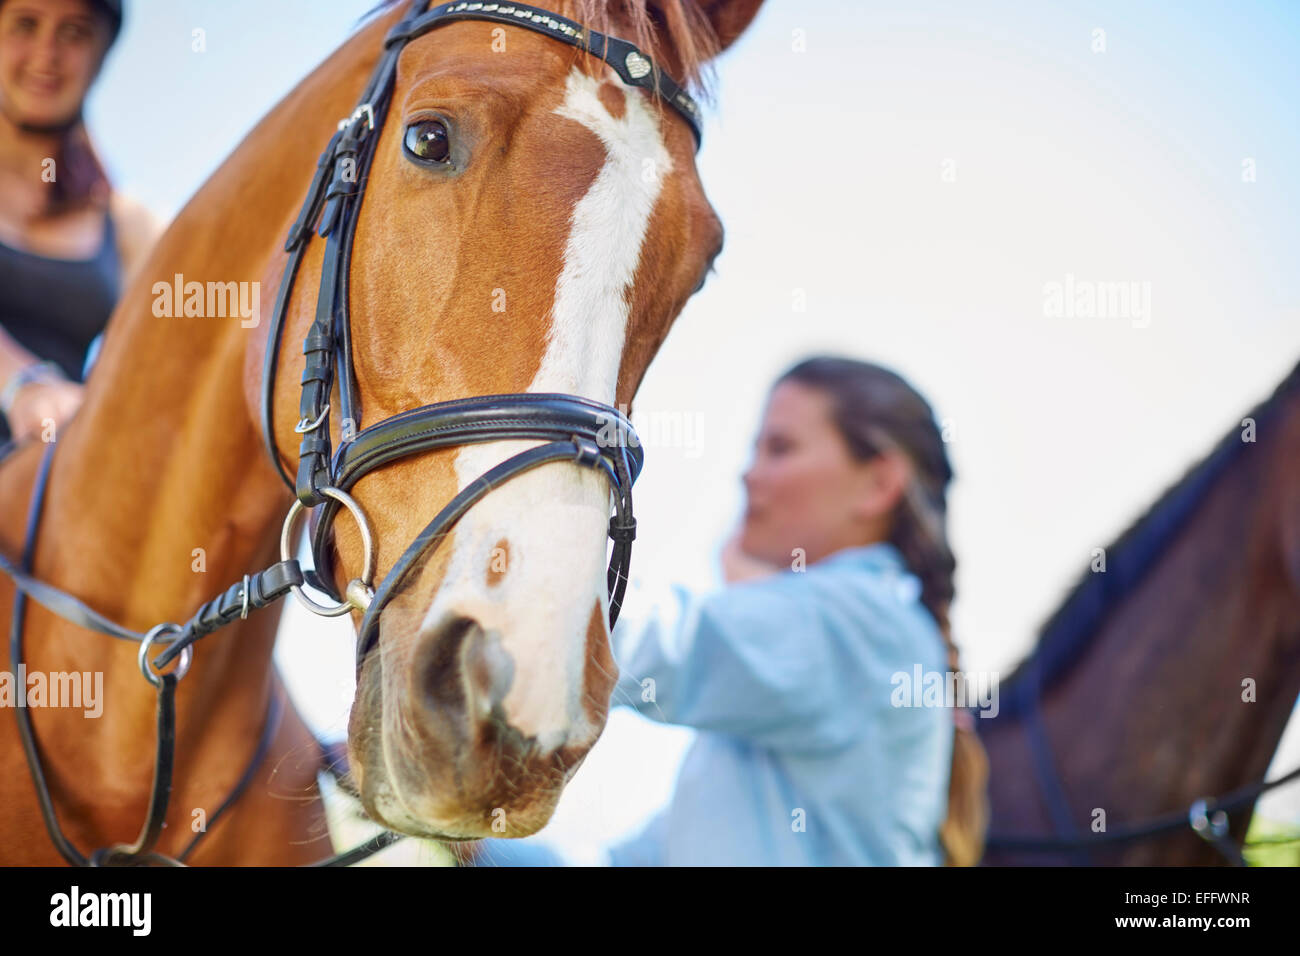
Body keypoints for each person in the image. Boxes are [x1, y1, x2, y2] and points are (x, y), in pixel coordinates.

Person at [465, 355, 989, 866]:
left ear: (878, 484)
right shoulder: (799, 687)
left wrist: (483, 579)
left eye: (780, 448)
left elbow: (665, 643)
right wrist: (460, 852)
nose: (748, 476)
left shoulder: (867, 623)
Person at [0, 0, 159, 448]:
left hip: (51, 487)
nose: (47, 54)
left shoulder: (127, 222)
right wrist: (23, 384)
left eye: (74, 32)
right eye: (25, 25)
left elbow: (184, 338)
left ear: (101, 54)